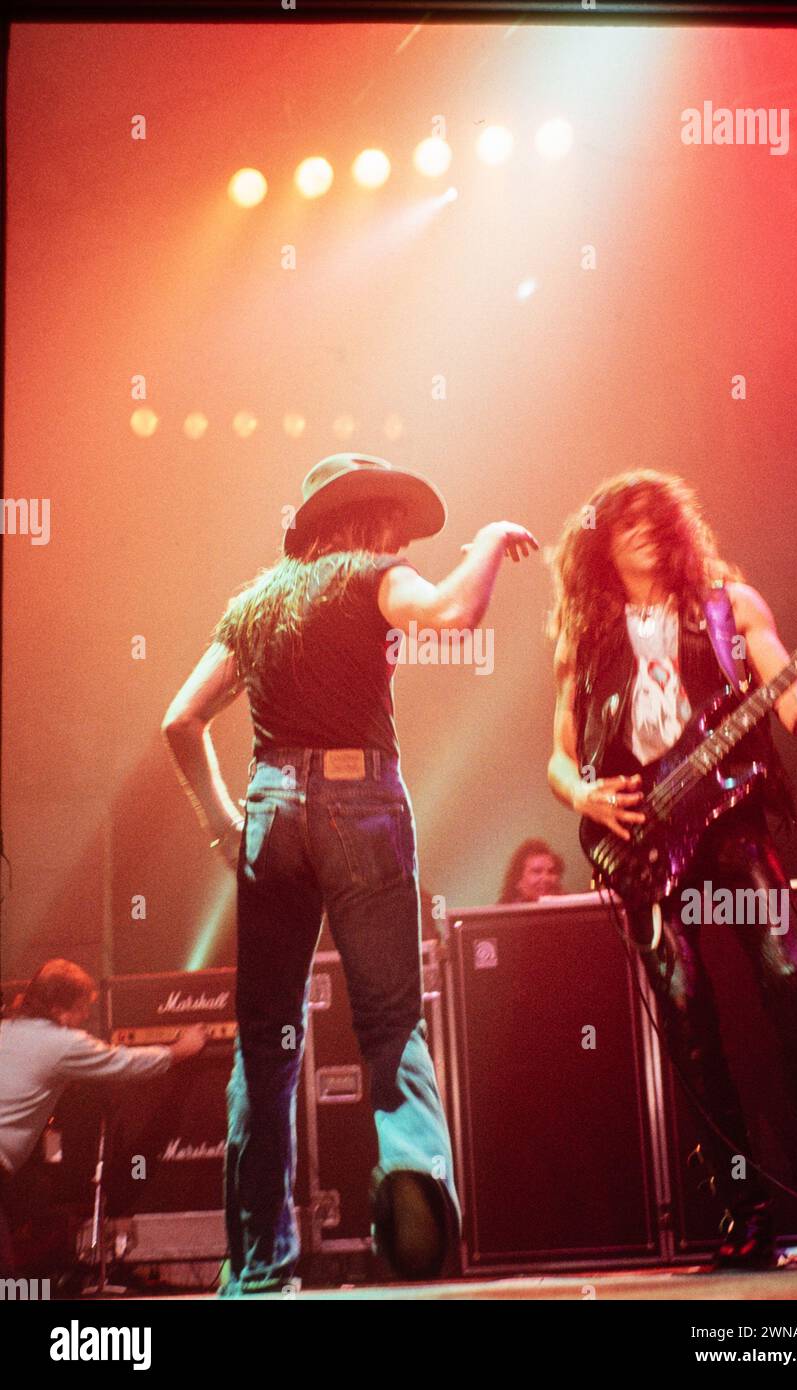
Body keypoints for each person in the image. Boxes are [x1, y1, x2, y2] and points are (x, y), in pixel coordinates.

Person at [162, 452, 537, 1294]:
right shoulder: (375, 573)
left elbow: (179, 722)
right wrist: (488, 539)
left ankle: (259, 1270)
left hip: (271, 813)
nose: (403, 534)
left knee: (266, 1044)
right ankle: (408, 1168)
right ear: (366, 520)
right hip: (359, 801)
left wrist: (229, 827)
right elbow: (452, 613)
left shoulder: (255, 605)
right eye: (394, 519)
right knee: (390, 1019)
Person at [547, 468, 797, 1268]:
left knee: (790, 979)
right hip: (639, 839)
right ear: (601, 542)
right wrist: (588, 799)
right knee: (688, 1018)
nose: (643, 531)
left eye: (655, 518)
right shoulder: (584, 629)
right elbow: (557, 759)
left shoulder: (732, 605)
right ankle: (743, 1215)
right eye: (624, 521)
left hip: (730, 823)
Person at [0, 958, 206, 1276]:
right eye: (82, 1008)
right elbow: (123, 1062)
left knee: (34, 1191)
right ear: (57, 1008)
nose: (85, 1017)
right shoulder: (62, 1043)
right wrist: (180, 1049)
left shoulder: (7, 1029)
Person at [497, 839, 565, 904]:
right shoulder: (501, 914)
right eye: (537, 871)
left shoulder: (570, 907)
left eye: (551, 871)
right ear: (518, 880)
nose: (546, 878)